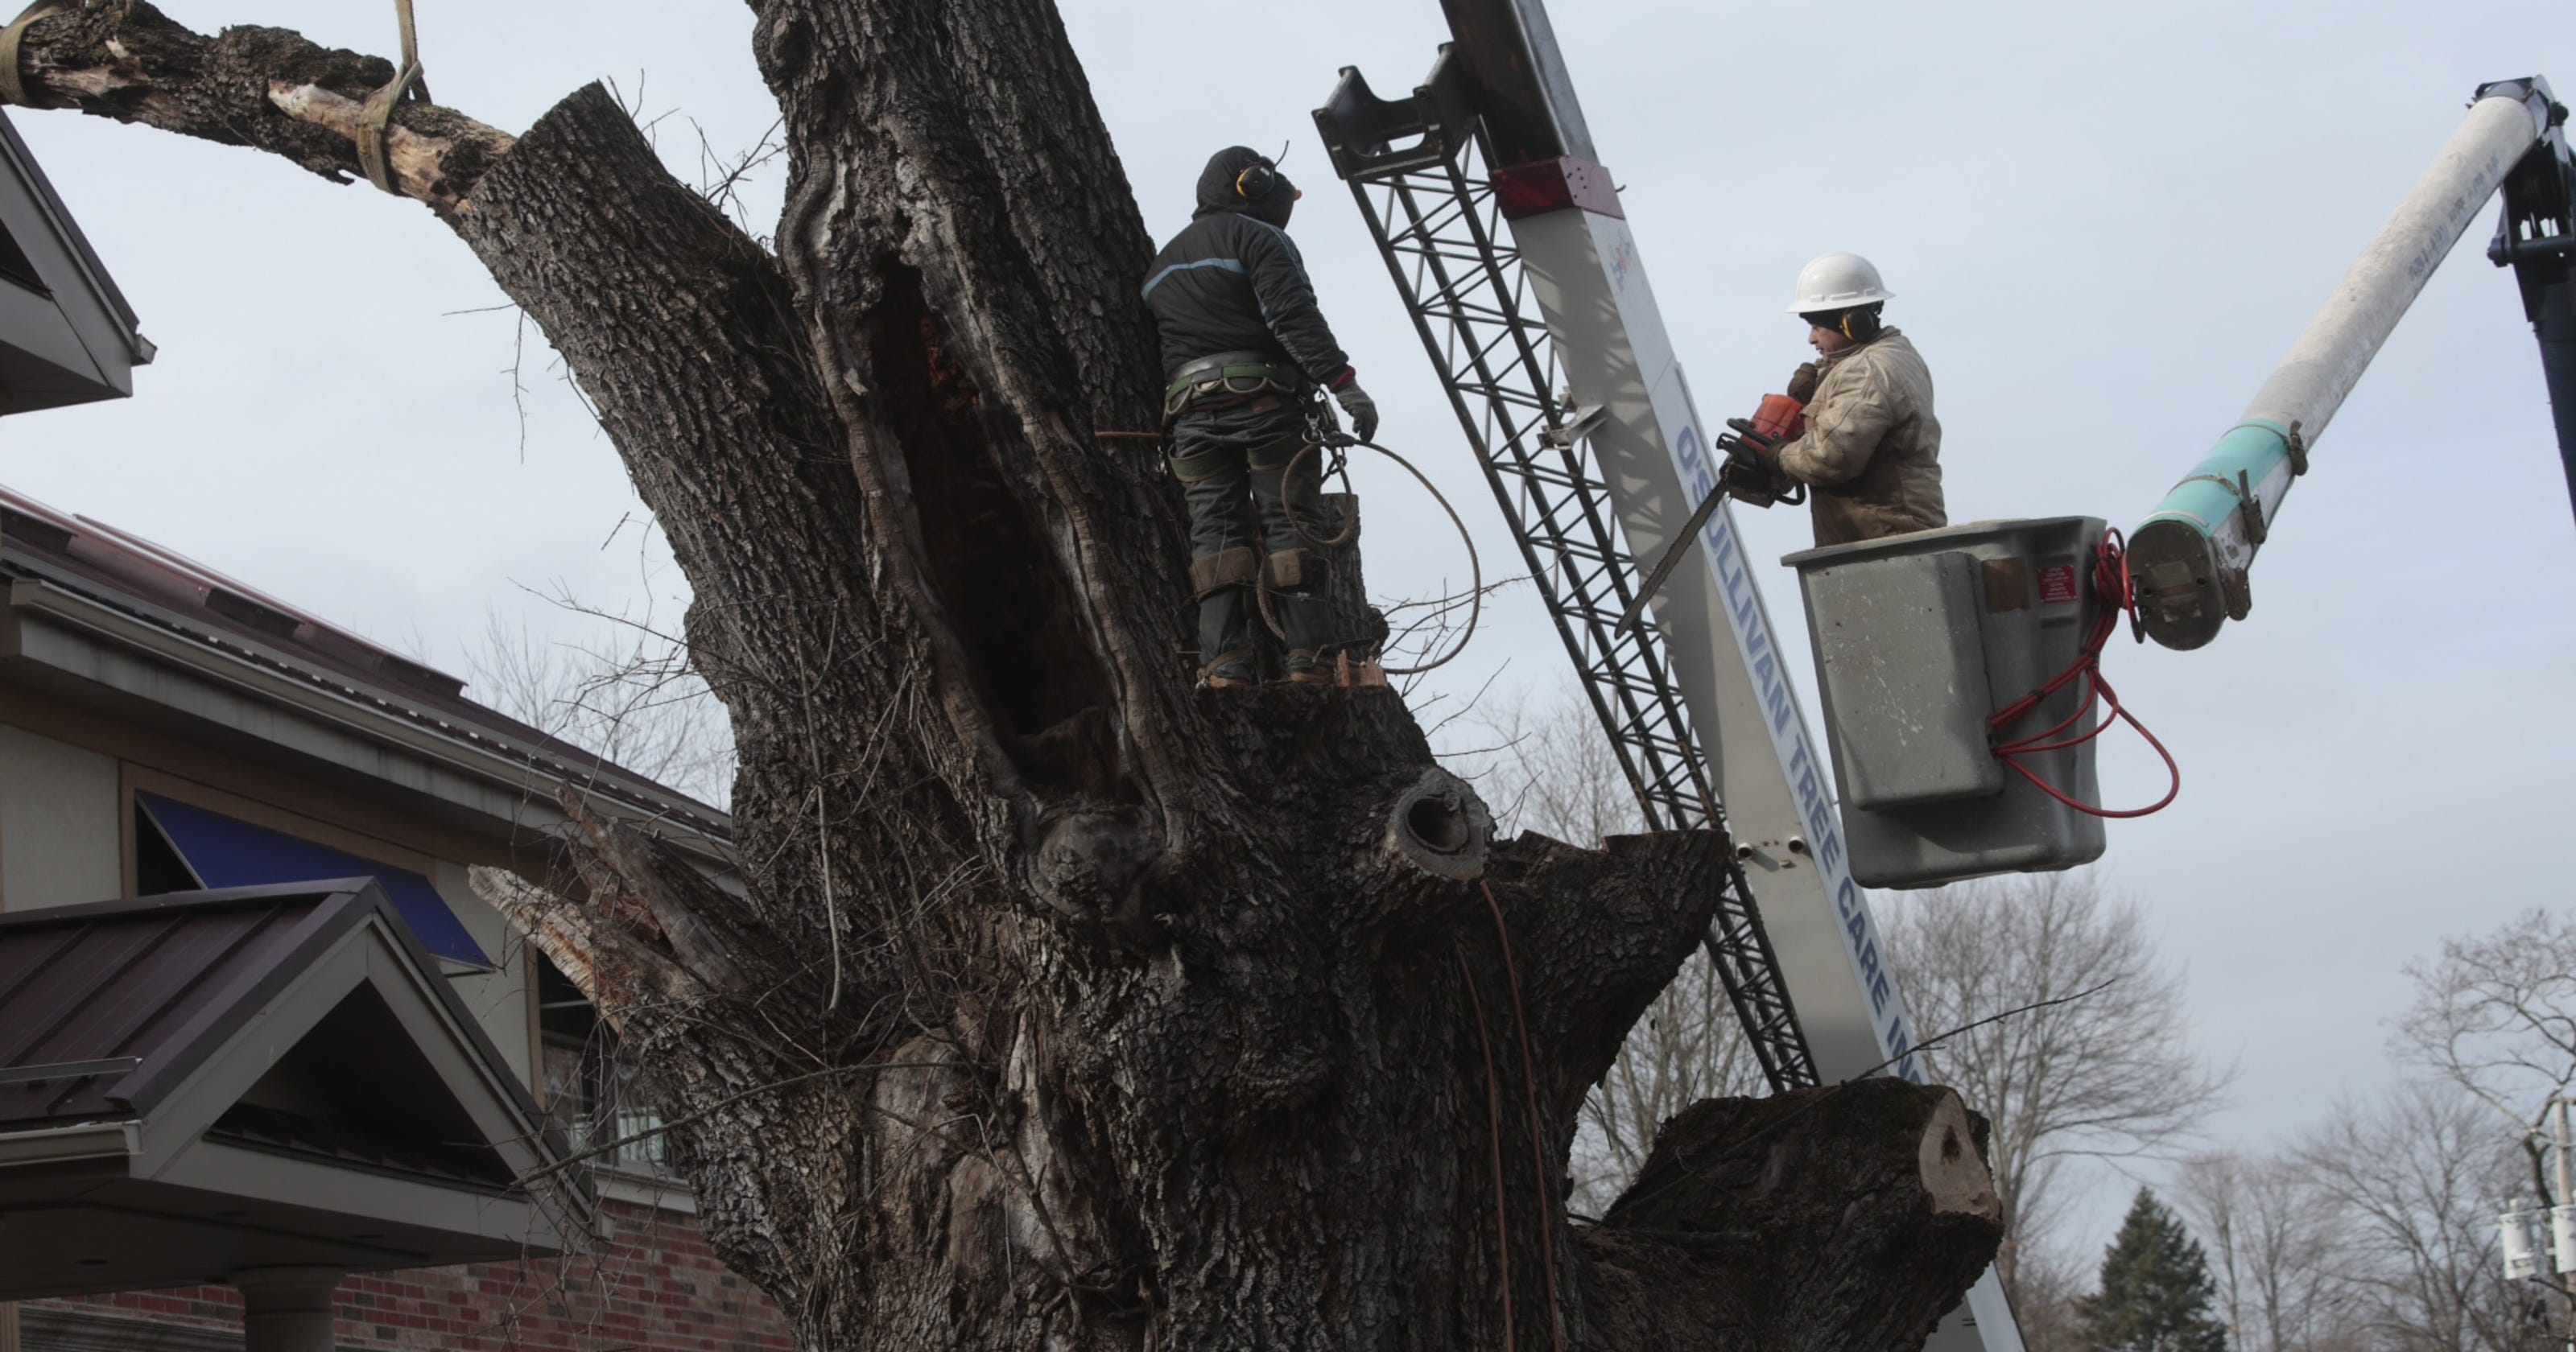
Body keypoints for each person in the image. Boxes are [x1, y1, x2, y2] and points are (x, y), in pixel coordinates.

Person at [1142, 146, 1378, 687]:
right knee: (1288, 523)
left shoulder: (1161, 266)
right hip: (1266, 405)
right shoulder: (1259, 238)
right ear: (1253, 188)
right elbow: (1292, 317)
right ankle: (1310, 659)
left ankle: (1224, 663)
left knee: (1216, 534)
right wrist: (1345, 386)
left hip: (1190, 420)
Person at [1744, 252, 1946, 548]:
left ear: (1852, 323)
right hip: (1884, 538)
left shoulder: (1867, 371)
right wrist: (1818, 392)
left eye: (1816, 327)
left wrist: (1776, 455)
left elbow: (1830, 458)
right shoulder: (1892, 353)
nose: (1811, 340)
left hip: (1886, 541)